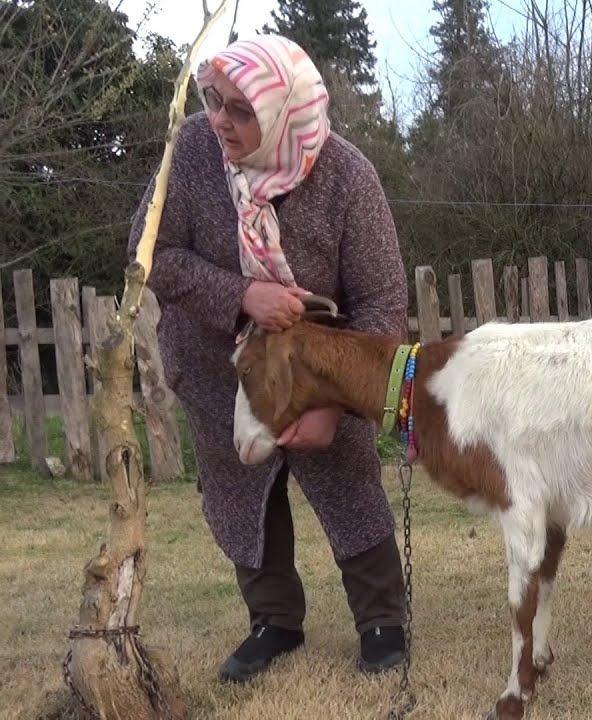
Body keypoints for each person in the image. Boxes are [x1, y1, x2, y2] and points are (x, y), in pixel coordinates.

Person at [125, 34, 410, 682]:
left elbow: (383, 299)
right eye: (213, 99)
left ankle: (382, 620)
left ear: (285, 112)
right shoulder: (192, 151)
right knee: (240, 487)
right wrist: (241, 295)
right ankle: (273, 620)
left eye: (240, 109)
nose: (218, 119)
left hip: (321, 370)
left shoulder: (347, 176)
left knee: (349, 485)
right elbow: (150, 254)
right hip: (212, 362)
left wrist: (336, 402)